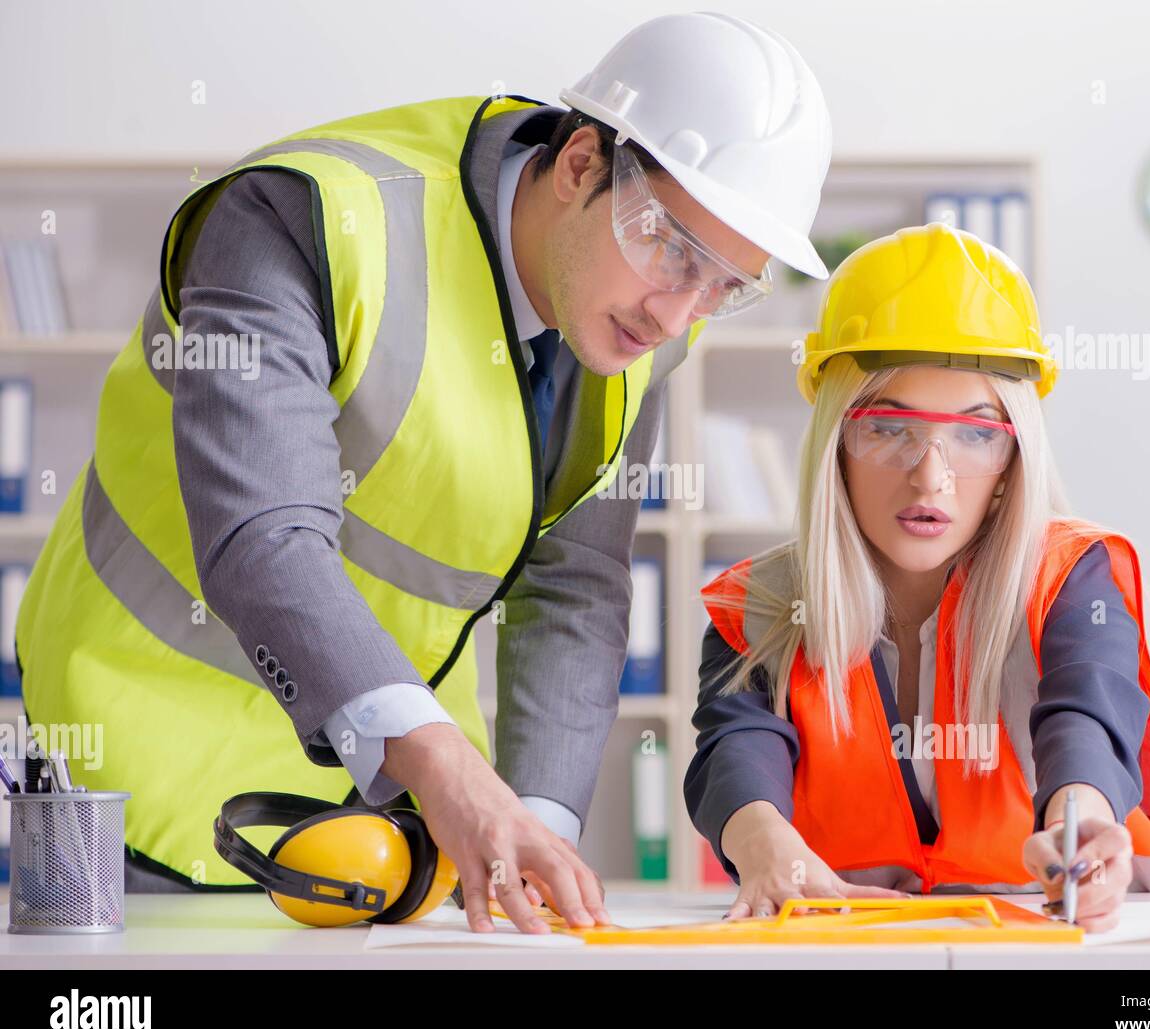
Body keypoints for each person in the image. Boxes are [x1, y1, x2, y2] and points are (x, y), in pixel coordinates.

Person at [14, 12, 832, 934]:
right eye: (672, 248)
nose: (679, 313)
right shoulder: (299, 219)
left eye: (724, 284)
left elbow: (577, 586)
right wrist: (443, 766)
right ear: (581, 166)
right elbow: (261, 531)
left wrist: (533, 825)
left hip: (398, 822)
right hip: (137, 787)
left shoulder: (634, 327)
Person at [686, 223, 1150, 934]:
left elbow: (1087, 710)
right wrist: (761, 844)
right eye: (888, 427)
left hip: (1086, 942)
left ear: (1012, 462)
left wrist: (1080, 826)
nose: (930, 476)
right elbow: (735, 747)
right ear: (836, 442)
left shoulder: (1072, 578)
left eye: (975, 432)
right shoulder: (761, 605)